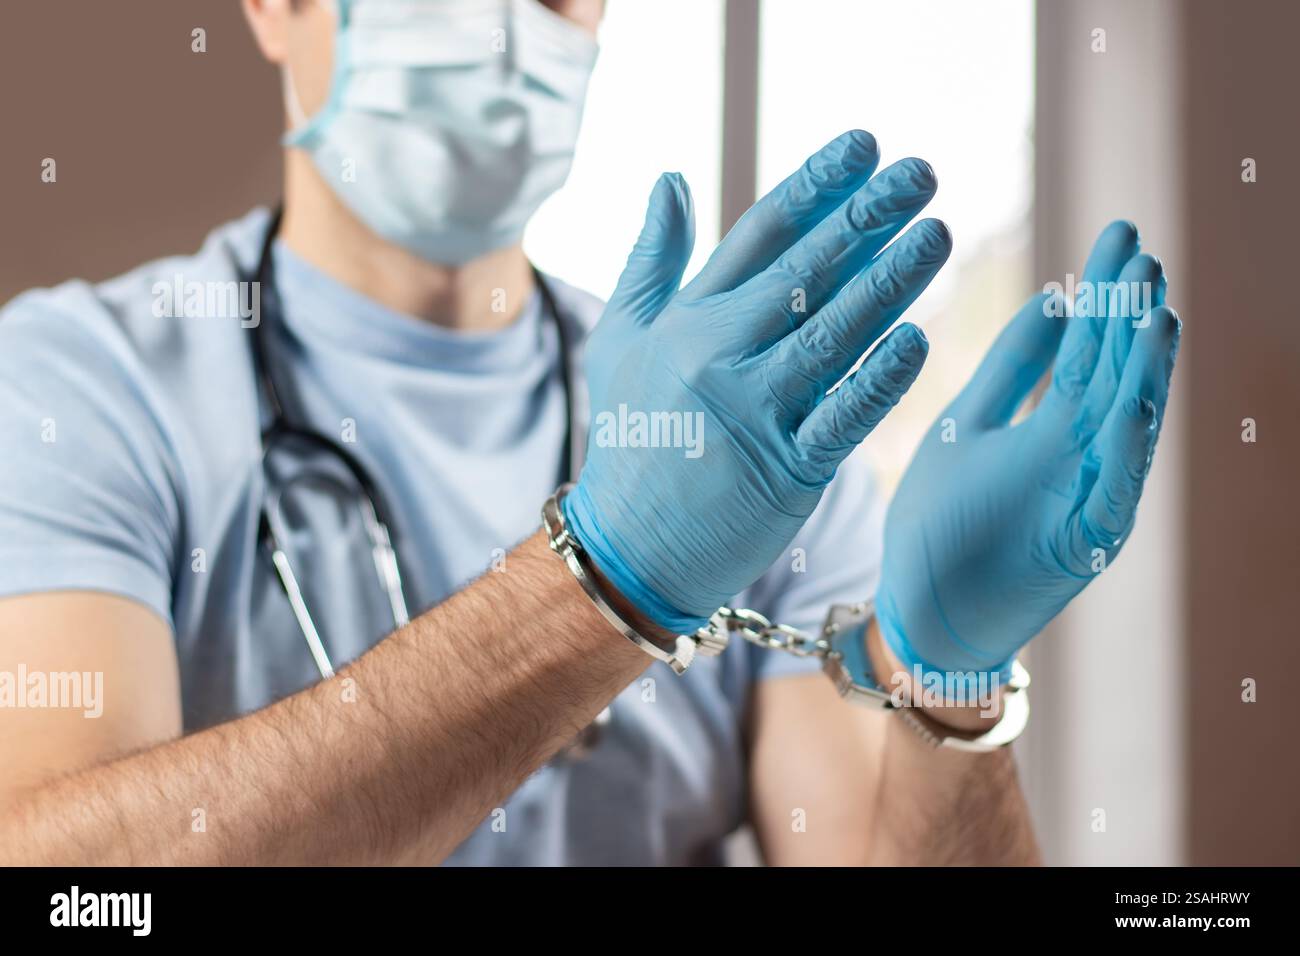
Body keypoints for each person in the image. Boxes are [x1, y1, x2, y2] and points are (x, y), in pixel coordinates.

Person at [0, 0, 1178, 866]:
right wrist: (603, 585)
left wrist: (945, 686)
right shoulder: (84, 383)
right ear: (271, 9)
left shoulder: (739, 427)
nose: (509, 26)